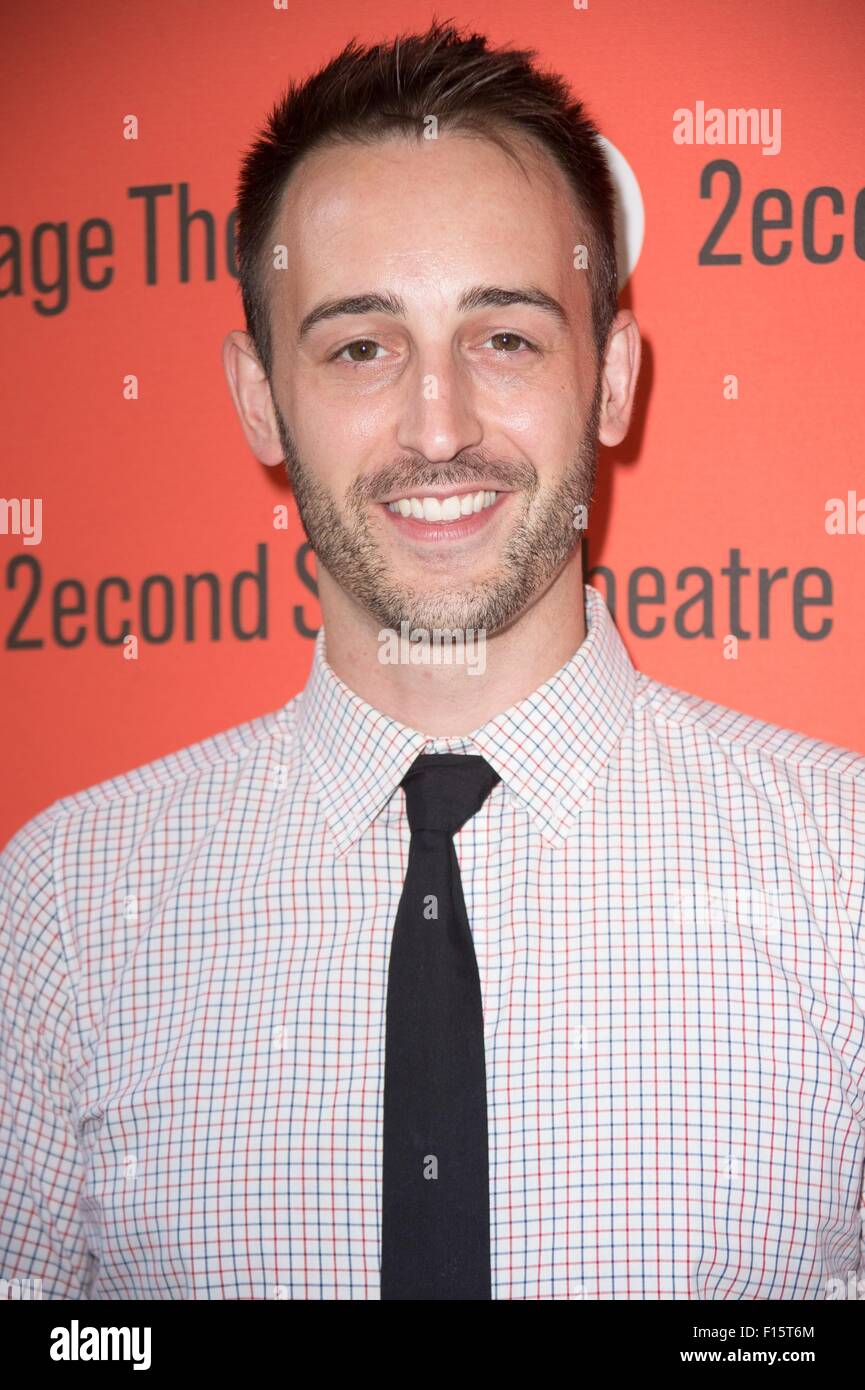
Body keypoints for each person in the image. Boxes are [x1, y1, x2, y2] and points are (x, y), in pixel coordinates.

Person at [2, 21, 863, 1302]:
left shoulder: (844, 877)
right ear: (257, 398)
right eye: (361, 345)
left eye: (505, 336)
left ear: (613, 377)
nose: (439, 422)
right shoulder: (64, 908)